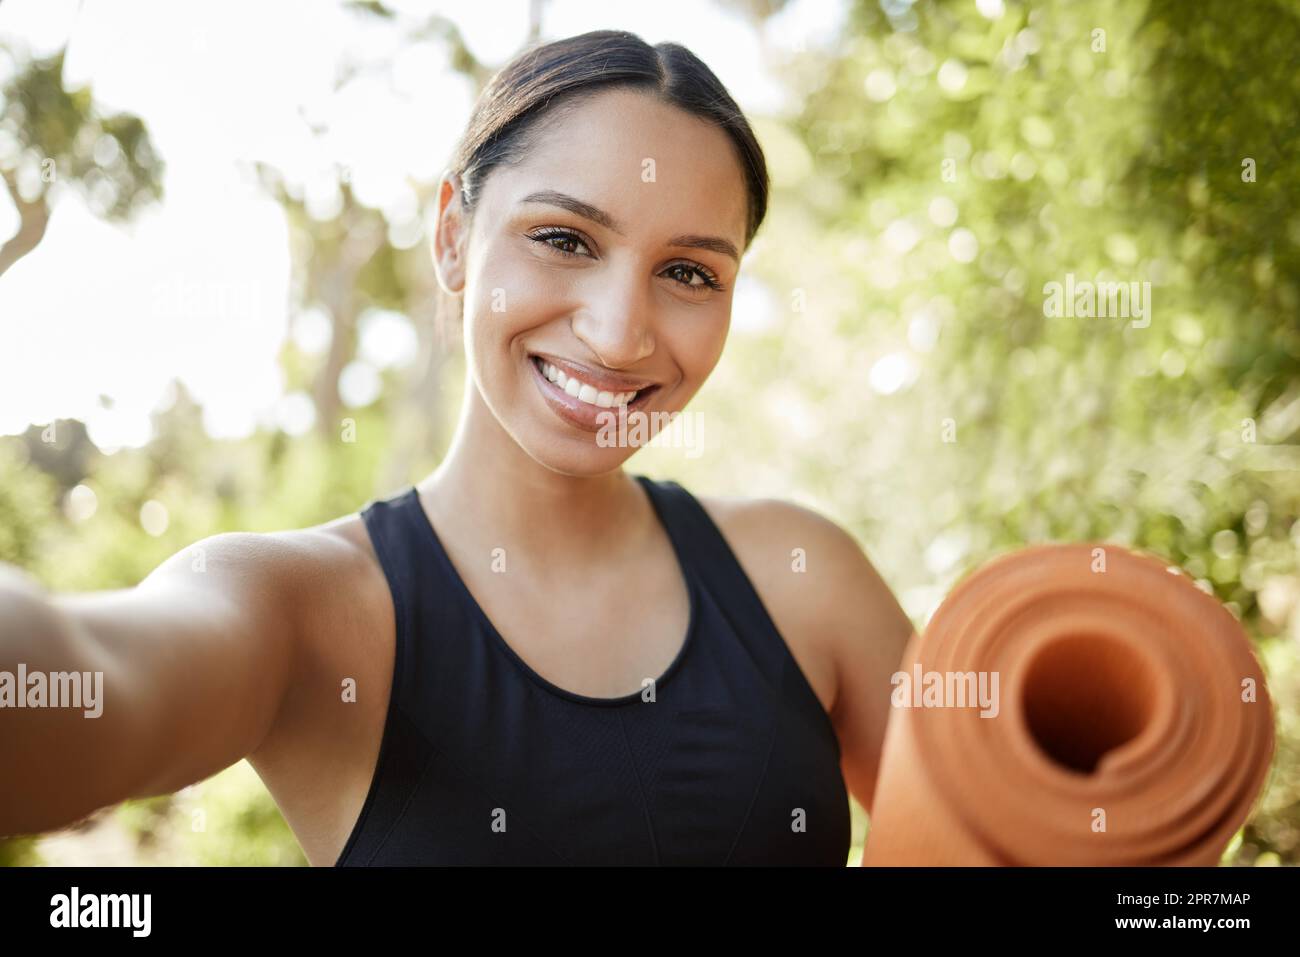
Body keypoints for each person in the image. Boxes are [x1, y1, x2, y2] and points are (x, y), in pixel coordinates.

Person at [0, 29, 914, 866]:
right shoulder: (305, 606)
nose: (618, 334)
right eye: (564, 239)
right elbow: (95, 689)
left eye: (688, 272)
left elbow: (984, 811)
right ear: (451, 237)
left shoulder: (804, 578)